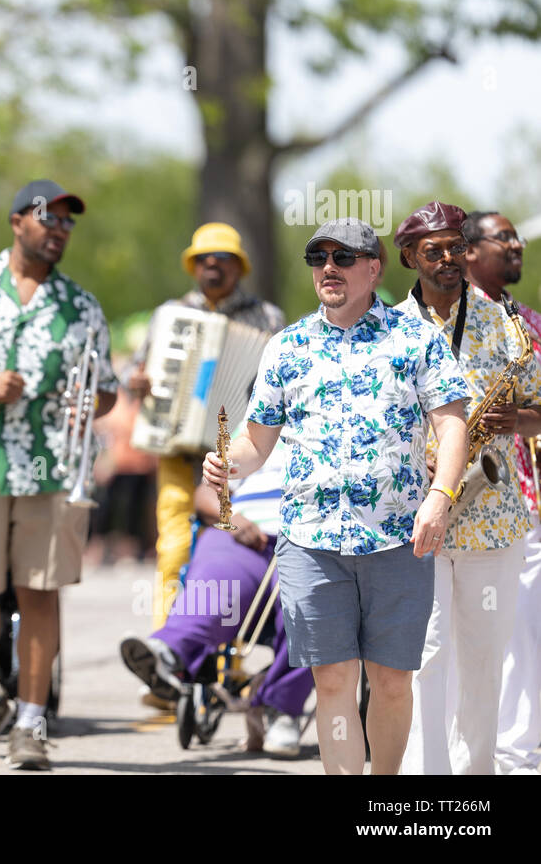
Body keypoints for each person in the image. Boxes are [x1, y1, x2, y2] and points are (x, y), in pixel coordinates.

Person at [203, 217, 470, 775]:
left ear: (373, 269)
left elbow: (451, 425)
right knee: (332, 680)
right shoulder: (287, 347)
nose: (329, 267)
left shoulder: (415, 338)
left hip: (399, 537)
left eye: (343, 257)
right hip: (310, 539)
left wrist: (440, 497)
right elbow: (257, 441)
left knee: (392, 682)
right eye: (319, 257)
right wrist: (229, 466)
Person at [0, 178, 118, 771]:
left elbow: (104, 388)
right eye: (47, 218)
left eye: (66, 222)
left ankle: (30, 721)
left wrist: (95, 402)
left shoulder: (81, 305)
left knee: (39, 593)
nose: (58, 230)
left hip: (49, 467)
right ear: (15, 222)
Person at [393, 202, 541, 775]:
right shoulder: (387, 327)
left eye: (456, 246)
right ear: (410, 257)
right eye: (435, 250)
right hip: (416, 516)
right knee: (425, 658)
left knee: (484, 662)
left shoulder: (504, 320)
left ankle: (475, 782)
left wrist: (518, 419)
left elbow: (538, 407)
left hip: (492, 514)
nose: (449, 258)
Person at [128, 222, 285, 631]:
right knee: (174, 549)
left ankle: (220, 662)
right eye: (204, 260)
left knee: (230, 560)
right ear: (193, 267)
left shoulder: (268, 317)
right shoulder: (169, 314)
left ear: (240, 268)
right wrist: (138, 382)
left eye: (223, 260)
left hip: (239, 457)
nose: (212, 267)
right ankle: (167, 650)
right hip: (179, 451)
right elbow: (135, 370)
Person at [121, 436, 315, 757]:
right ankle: (167, 653)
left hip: (308, 535)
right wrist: (230, 517)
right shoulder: (251, 434)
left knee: (309, 598)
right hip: (243, 530)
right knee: (214, 581)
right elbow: (206, 492)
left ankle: (282, 708)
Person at [463, 210, 541, 773]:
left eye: (517, 238)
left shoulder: (528, 319)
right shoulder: (455, 315)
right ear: (468, 251)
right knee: (470, 639)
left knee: (525, 630)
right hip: (467, 498)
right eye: (504, 238)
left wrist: (526, 418)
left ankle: (518, 747)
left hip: (525, 498)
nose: (517, 246)